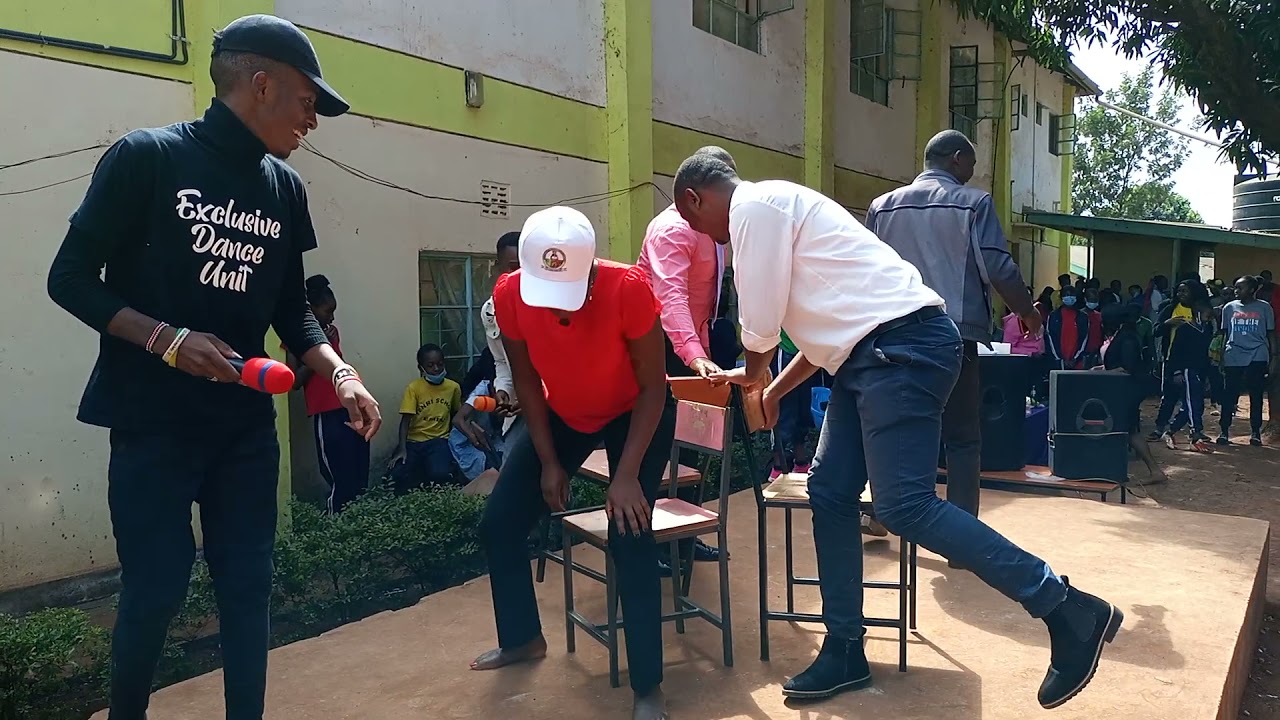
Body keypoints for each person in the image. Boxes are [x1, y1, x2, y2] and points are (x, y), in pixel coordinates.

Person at [672, 153, 1122, 707]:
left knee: (905, 504)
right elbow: (823, 339)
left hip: (898, 350)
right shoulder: (784, 213)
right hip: (871, 354)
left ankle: (1066, 607)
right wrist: (771, 391)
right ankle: (845, 649)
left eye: (696, 226)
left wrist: (754, 383)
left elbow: (760, 324)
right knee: (830, 490)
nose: (706, 239)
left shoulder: (755, 208)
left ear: (695, 197)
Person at [44, 15, 382, 720]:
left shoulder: (285, 190)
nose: (313, 120)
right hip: (151, 421)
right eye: (306, 102)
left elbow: (293, 313)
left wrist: (338, 373)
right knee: (157, 587)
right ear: (261, 85)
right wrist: (168, 338)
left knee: (248, 585)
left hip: (242, 429)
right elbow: (69, 278)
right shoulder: (149, 158)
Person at [473, 206, 674, 720]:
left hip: (634, 411)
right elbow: (525, 382)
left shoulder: (627, 288)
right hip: (564, 412)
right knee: (499, 524)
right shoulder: (511, 293)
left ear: (589, 268)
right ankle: (521, 639)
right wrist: (547, 461)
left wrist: (626, 476)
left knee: (630, 533)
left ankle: (647, 688)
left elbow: (655, 387)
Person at [865, 129, 1040, 521]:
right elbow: (998, 266)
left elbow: (866, 271)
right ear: (957, 158)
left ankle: (882, 513)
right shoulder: (974, 203)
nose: (973, 172)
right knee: (961, 438)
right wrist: (1026, 312)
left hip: (890, 336)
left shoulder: (882, 206)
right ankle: (960, 539)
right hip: (953, 337)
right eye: (971, 164)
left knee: (895, 429)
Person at [635, 144, 736, 568]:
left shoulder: (718, 225)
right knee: (655, 447)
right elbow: (670, 297)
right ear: (698, 194)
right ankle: (647, 544)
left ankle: (685, 537)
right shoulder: (671, 230)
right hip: (656, 346)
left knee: (697, 444)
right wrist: (694, 356)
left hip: (700, 347)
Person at [286, 274, 372, 513]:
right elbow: (293, 381)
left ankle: (359, 526)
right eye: (327, 311)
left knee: (358, 475)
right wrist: (317, 352)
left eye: (333, 311)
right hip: (326, 412)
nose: (331, 317)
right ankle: (336, 532)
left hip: (351, 407)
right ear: (310, 310)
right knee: (339, 477)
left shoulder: (331, 332)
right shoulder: (295, 338)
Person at [1097, 305, 1168, 484]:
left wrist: (1104, 374)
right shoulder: (1124, 335)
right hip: (1125, 389)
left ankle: (1154, 470)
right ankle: (1118, 469)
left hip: (1128, 390)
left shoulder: (1127, 339)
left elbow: (1127, 368)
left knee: (1129, 430)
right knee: (1127, 430)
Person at [389, 344, 464, 490]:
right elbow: (405, 421)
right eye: (430, 365)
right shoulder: (414, 388)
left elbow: (457, 414)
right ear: (421, 368)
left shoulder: (453, 387)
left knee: (440, 474)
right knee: (397, 475)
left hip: (439, 440)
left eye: (439, 364)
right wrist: (402, 449)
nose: (436, 369)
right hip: (414, 442)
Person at [1218, 275, 1277, 446]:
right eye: (1235, 287)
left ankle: (1255, 432)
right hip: (1234, 354)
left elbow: (1270, 334)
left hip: (1257, 355)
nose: (1236, 291)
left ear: (1252, 290)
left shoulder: (1265, 308)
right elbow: (1225, 334)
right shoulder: (1229, 308)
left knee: (1256, 395)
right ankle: (1224, 430)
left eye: (1240, 288)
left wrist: (1274, 358)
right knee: (1229, 395)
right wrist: (1222, 356)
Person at [1161, 304, 1215, 452]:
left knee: (1191, 405)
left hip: (1200, 370)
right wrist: (1176, 371)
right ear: (1197, 312)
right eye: (1207, 315)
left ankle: (1170, 431)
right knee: (1193, 403)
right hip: (1186, 370)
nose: (1209, 318)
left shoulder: (1206, 329)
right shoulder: (1184, 329)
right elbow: (1175, 352)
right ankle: (1195, 435)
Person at [1149, 281, 1196, 440]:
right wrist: (1168, 323)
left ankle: (1193, 430)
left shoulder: (1199, 310)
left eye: (1185, 291)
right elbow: (1155, 331)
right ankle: (1159, 427)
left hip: (1192, 361)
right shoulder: (1169, 309)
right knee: (1168, 397)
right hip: (1170, 359)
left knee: (1191, 399)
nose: (1181, 295)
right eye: (1179, 291)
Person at [1047, 286, 1089, 370]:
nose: (1069, 297)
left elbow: (1084, 339)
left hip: (1077, 362)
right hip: (1058, 361)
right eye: (1066, 294)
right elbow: (1051, 338)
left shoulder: (1083, 317)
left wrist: (1075, 359)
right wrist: (1060, 359)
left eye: (1072, 294)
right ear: (1062, 297)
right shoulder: (1053, 316)